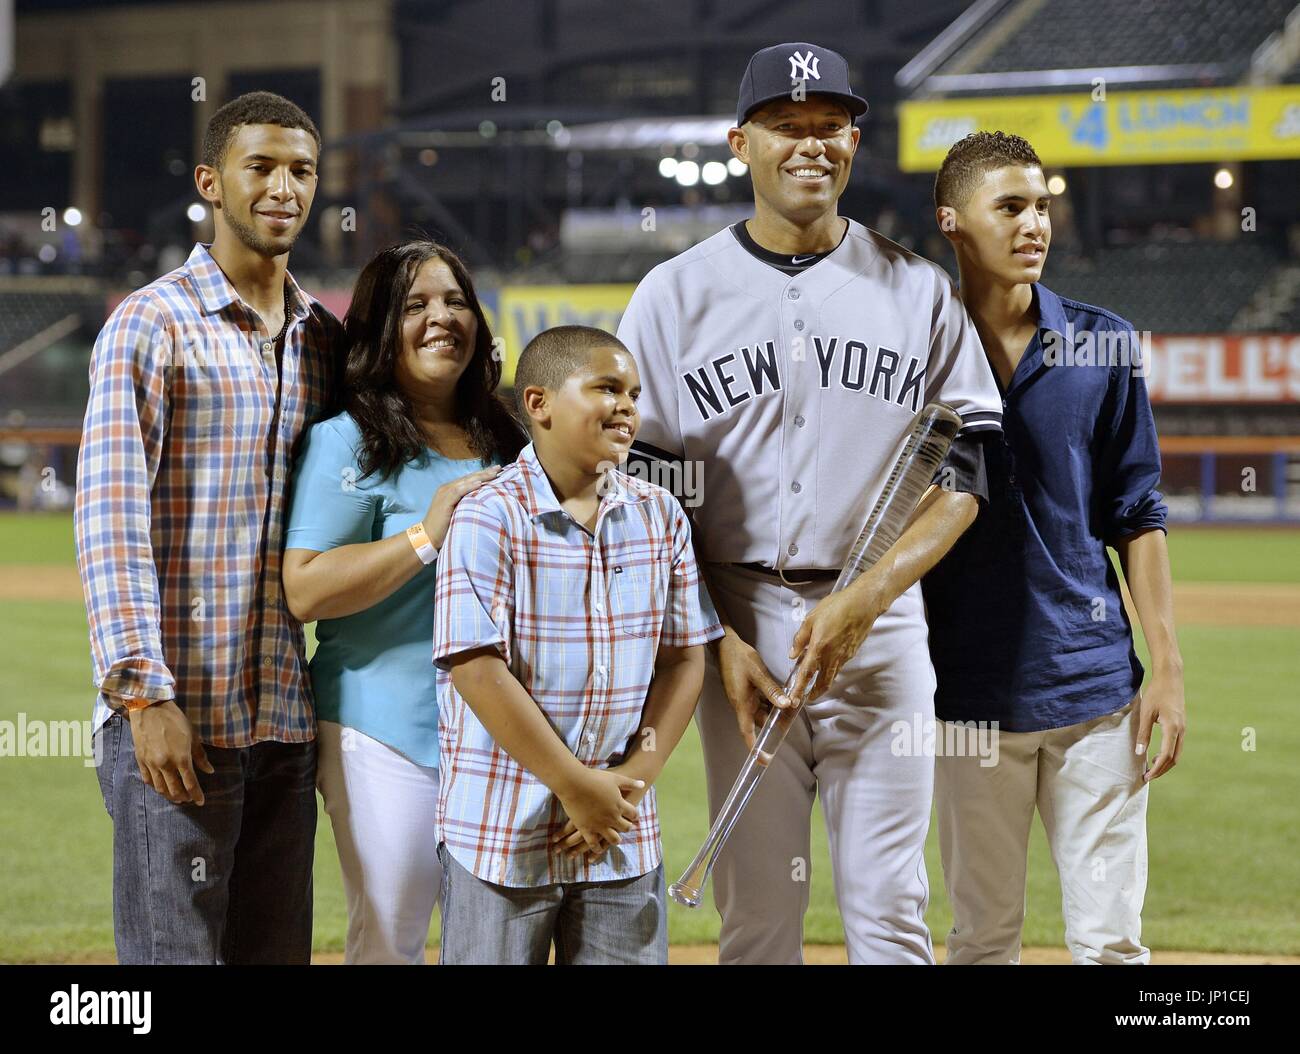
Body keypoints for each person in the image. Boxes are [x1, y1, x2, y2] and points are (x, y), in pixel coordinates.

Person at [616, 42, 1004, 965]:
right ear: (739, 142)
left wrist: (868, 599)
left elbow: (971, 470)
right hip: (737, 625)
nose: (810, 144)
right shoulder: (674, 297)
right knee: (756, 920)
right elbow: (644, 492)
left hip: (880, 622)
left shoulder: (915, 291)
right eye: (786, 127)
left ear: (855, 143)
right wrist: (718, 637)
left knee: (891, 910)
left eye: (830, 126)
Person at [74, 91, 342, 964]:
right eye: (259, 166)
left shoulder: (323, 344)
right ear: (211, 183)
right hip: (178, 716)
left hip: (285, 725)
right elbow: (110, 515)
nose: (283, 187)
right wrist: (143, 696)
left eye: (300, 170)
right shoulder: (150, 323)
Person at [924, 130, 1186, 965]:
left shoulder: (1104, 341)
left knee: (1111, 945)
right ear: (953, 222)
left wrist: (1168, 668)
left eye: (1043, 205)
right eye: (1010, 207)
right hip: (961, 697)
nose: (1035, 223)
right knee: (982, 940)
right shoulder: (914, 352)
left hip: (1097, 690)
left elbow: (1136, 510)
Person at [432, 325, 723, 965]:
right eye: (606, 388)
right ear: (538, 404)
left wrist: (626, 787)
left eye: (634, 394)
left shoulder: (661, 515)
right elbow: (475, 668)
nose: (627, 406)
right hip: (501, 834)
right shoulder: (488, 515)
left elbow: (683, 659)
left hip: (620, 835)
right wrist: (574, 787)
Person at [281, 241, 523, 964]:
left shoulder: (507, 439)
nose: (441, 317)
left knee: (494, 940)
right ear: (382, 328)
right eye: (415, 305)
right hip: (382, 727)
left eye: (454, 301)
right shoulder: (348, 441)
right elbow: (305, 587)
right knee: (391, 935)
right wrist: (427, 532)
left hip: (497, 732)